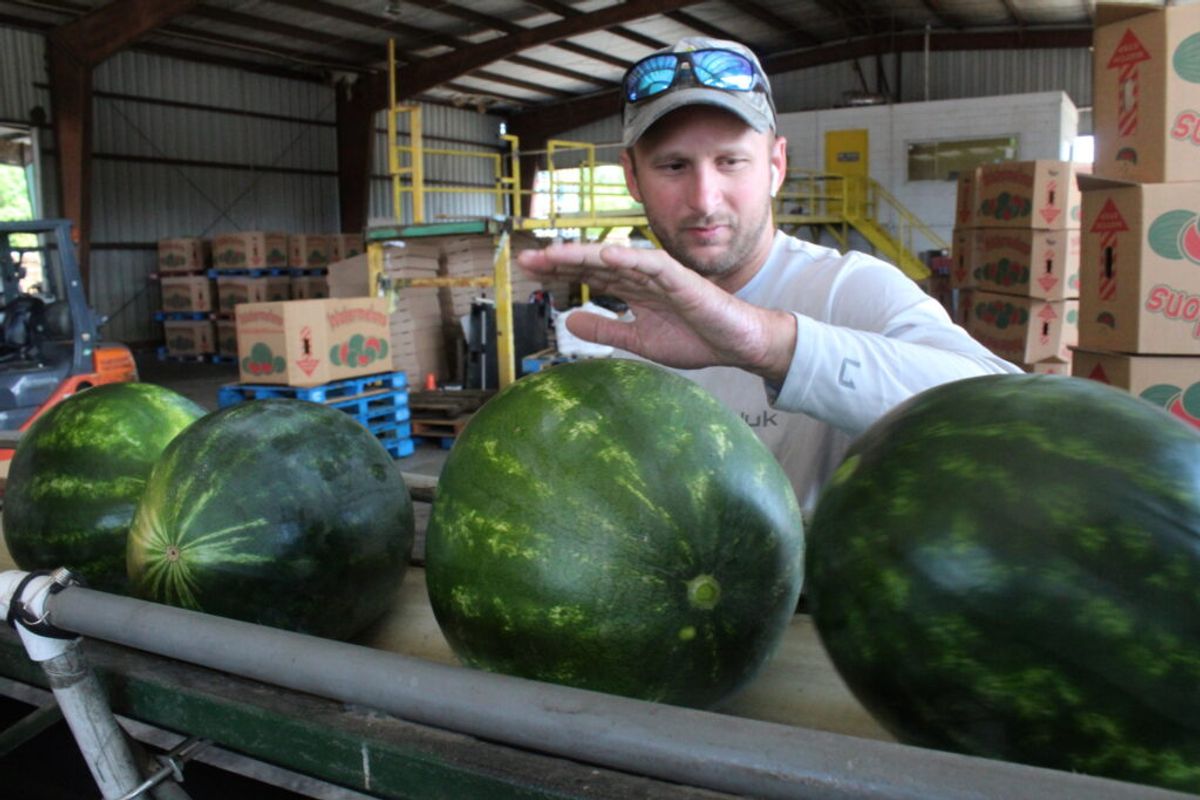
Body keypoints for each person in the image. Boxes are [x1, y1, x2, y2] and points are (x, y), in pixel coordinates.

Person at [517, 37, 1020, 511]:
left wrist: (771, 345)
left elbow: (1005, 414)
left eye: (731, 161)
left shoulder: (848, 289)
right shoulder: (636, 339)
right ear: (632, 177)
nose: (704, 200)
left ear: (776, 165)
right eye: (674, 166)